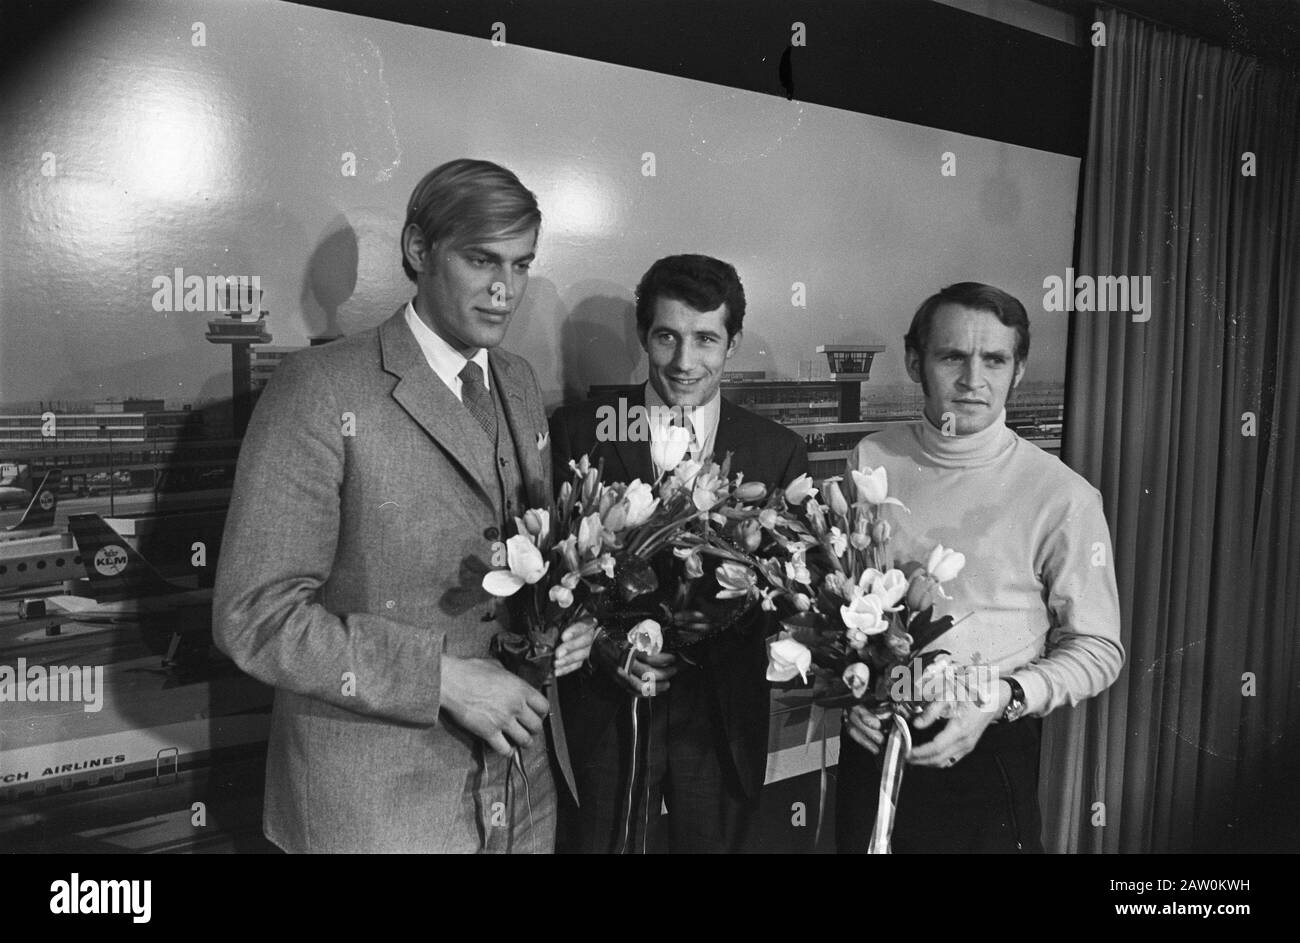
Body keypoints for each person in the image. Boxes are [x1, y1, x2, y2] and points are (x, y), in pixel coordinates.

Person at [213, 159, 594, 853]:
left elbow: (531, 569)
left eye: (522, 263)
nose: (506, 289)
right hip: (377, 812)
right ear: (419, 250)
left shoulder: (517, 379)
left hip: (524, 788)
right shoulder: (320, 390)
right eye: (481, 260)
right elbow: (256, 616)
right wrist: (441, 678)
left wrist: (565, 628)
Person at [836, 282, 1124, 853]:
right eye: (952, 356)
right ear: (916, 361)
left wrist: (1005, 697)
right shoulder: (870, 460)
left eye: (994, 359)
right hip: (873, 745)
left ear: (1018, 371)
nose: (973, 379)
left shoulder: (1063, 497)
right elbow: (845, 601)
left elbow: (1098, 648)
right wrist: (850, 693)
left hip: (986, 752)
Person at [549, 254, 808, 853]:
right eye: (667, 336)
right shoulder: (580, 431)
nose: (684, 362)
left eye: (705, 339)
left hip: (717, 721)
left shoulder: (776, 452)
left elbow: (785, 593)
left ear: (732, 342)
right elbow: (554, 574)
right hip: (607, 710)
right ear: (644, 335)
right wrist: (605, 649)